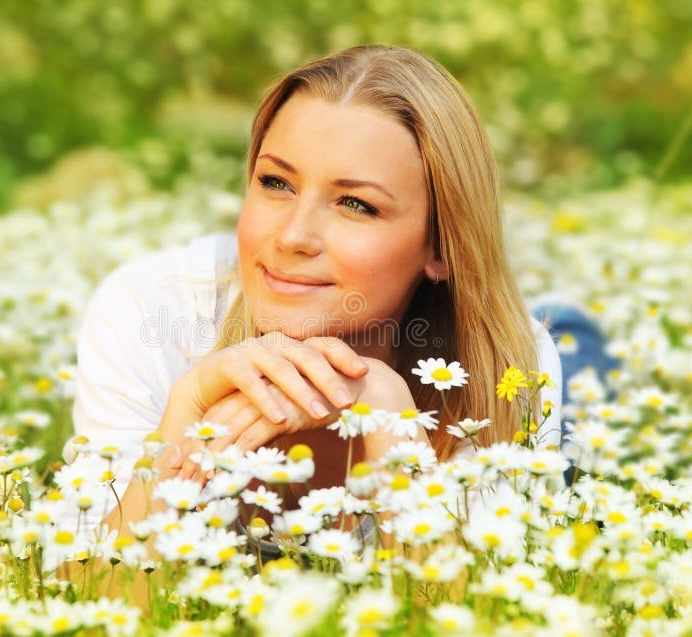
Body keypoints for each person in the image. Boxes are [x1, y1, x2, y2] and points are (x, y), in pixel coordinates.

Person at [62, 44, 565, 560]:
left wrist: (388, 414)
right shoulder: (150, 309)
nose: (293, 237)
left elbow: (466, 613)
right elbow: (96, 601)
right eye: (275, 182)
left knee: (576, 349)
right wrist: (183, 419)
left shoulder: (511, 366)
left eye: (356, 204)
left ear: (441, 245)